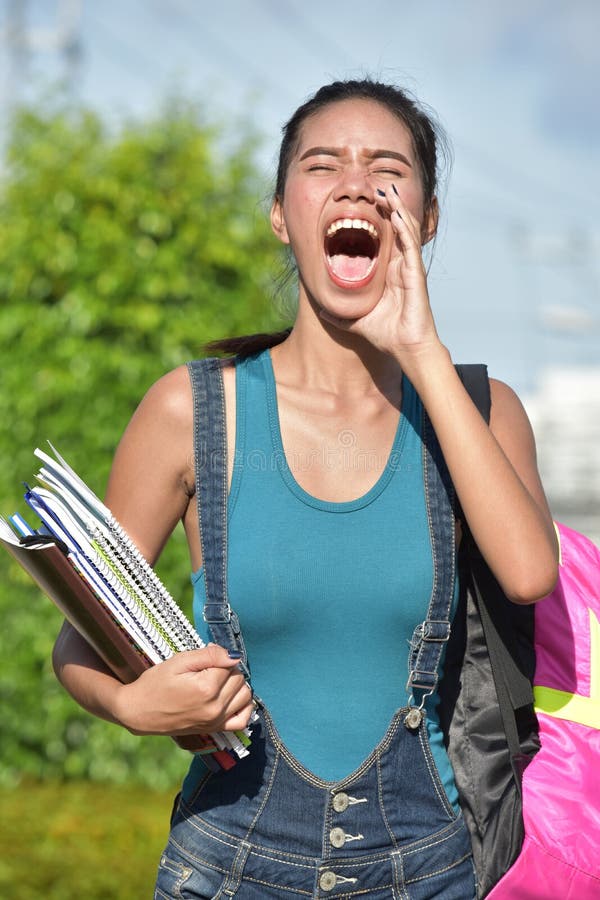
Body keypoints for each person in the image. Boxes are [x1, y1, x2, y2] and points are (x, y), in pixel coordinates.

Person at [52, 79, 559, 899]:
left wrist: (422, 351)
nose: (355, 183)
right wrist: (134, 706)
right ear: (282, 214)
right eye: (323, 164)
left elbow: (529, 572)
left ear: (425, 221)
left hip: (428, 871)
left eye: (386, 168)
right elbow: (78, 642)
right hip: (228, 867)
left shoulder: (479, 410)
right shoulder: (193, 410)